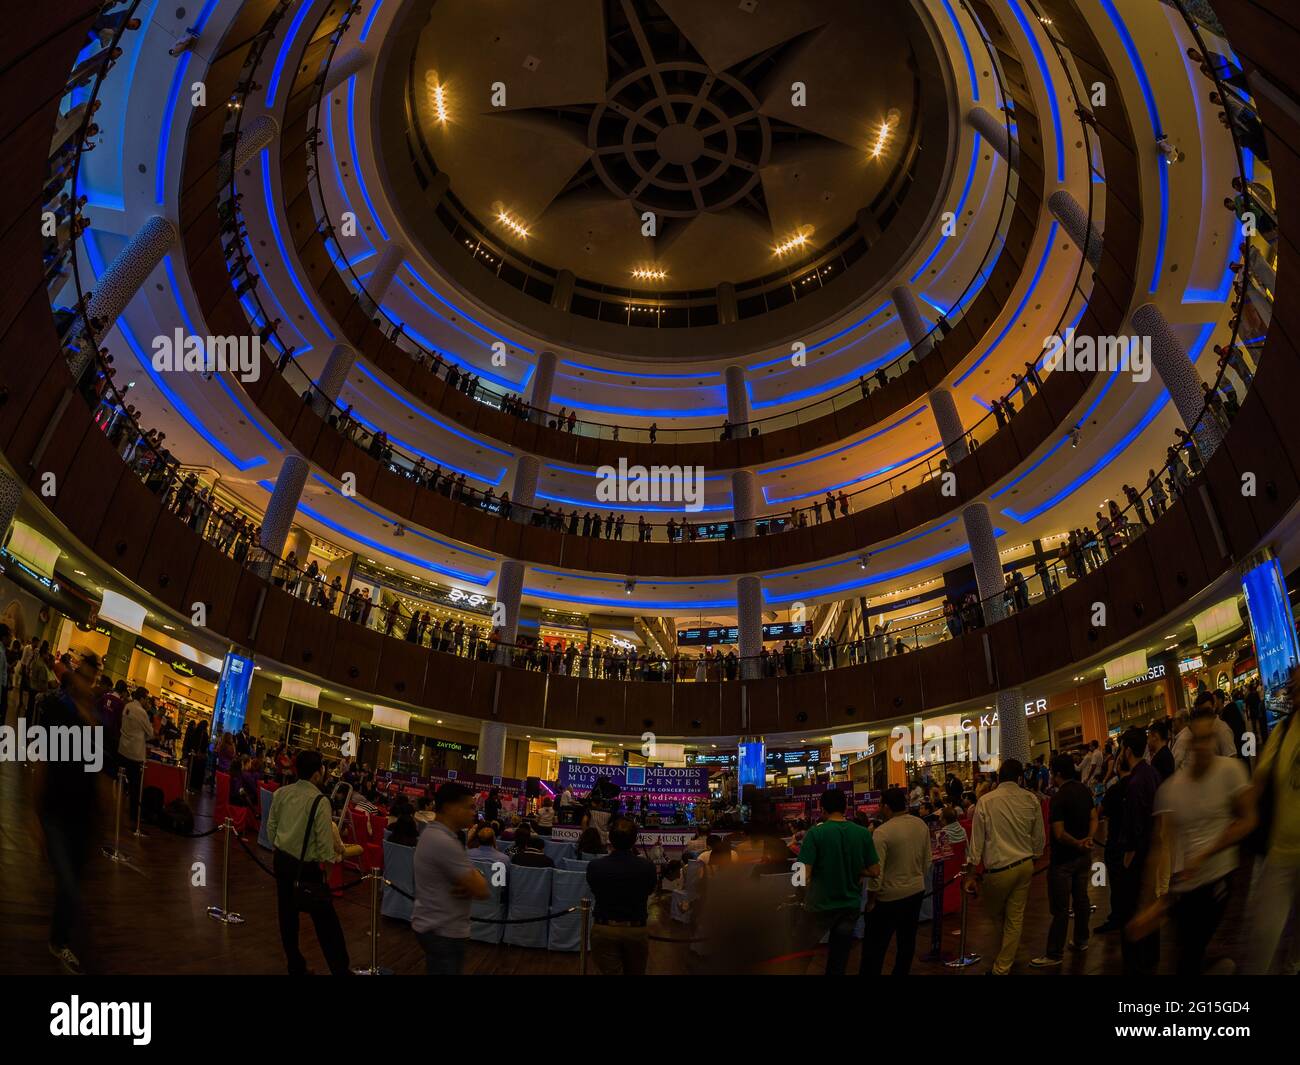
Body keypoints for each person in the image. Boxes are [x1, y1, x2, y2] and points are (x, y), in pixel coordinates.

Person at [1147, 705, 1255, 974]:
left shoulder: (1231, 771)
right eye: (1199, 738)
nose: (1204, 745)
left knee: (1190, 951)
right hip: (1183, 884)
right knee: (1184, 956)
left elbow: (1249, 819)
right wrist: (1152, 902)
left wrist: (1207, 853)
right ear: (1188, 739)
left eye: (1209, 738)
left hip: (1217, 877)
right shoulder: (1171, 789)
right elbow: (1160, 845)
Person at [33, 651, 103, 974]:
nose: (86, 683)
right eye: (83, 676)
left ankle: (60, 938)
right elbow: (43, 761)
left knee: (74, 879)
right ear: (74, 676)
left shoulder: (95, 719)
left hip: (81, 814)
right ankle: (58, 942)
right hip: (56, 810)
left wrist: (104, 807)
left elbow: (96, 768)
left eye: (92, 678)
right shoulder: (60, 711)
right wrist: (35, 817)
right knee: (70, 887)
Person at [265, 750, 351, 975]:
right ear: (316, 773)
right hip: (307, 869)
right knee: (327, 923)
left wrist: (281, 846)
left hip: (282, 862)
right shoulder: (321, 801)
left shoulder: (282, 793)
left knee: (287, 915)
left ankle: (295, 964)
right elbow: (324, 846)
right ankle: (340, 970)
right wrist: (328, 876)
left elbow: (271, 828)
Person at [1242, 667, 1300, 974]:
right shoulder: (1284, 729)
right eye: (1294, 686)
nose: (1293, 691)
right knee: (1262, 939)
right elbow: (1259, 783)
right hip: (1280, 853)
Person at [966, 759, 1045, 975]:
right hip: (1025, 865)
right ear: (1020, 778)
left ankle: (1003, 963)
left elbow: (977, 841)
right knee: (1014, 916)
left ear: (999, 777)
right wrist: (1035, 857)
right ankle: (1006, 959)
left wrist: (972, 871)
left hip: (999, 870)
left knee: (996, 913)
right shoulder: (1031, 799)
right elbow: (1038, 837)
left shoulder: (986, 801)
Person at [796, 788, 880, 975]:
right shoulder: (862, 833)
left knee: (800, 955)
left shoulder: (814, 834)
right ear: (846, 807)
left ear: (821, 807)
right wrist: (853, 868)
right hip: (849, 905)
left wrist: (800, 893)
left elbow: (800, 875)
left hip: (819, 905)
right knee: (839, 959)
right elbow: (875, 871)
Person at [412, 782, 489, 974]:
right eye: (469, 807)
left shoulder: (436, 835)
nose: (474, 812)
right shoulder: (443, 842)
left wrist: (471, 879)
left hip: (436, 927)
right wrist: (474, 878)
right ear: (449, 807)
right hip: (443, 932)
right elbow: (481, 889)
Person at [1031, 755, 1096, 967]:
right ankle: (1081, 940)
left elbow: (1058, 833)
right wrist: (1089, 838)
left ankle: (1054, 953)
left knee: (1060, 909)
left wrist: (1077, 842)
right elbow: (1094, 816)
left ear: (1057, 774)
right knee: (1081, 899)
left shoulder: (1058, 799)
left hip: (1063, 860)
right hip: (1083, 856)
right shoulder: (1084, 790)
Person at [862, 786, 931, 975]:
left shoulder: (882, 832)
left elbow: (877, 873)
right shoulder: (920, 825)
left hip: (888, 899)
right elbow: (927, 861)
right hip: (916, 892)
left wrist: (871, 901)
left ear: (886, 807)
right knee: (907, 943)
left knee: (875, 948)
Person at [585, 817, 658, 975]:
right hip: (636, 929)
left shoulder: (595, 866)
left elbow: (594, 889)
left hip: (604, 928)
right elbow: (651, 890)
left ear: (610, 838)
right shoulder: (647, 867)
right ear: (634, 840)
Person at [116, 687, 154, 824]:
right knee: (135, 788)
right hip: (134, 754)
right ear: (142, 698)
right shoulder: (142, 712)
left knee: (120, 782)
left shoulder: (127, 706)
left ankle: (117, 807)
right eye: (146, 699)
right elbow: (150, 733)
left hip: (122, 748)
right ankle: (133, 816)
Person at [1171, 689, 1237, 767]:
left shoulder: (1222, 730)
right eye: (1202, 711)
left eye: (1207, 709)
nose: (1205, 713)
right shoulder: (1198, 729)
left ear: (1213, 706)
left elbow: (1232, 758)